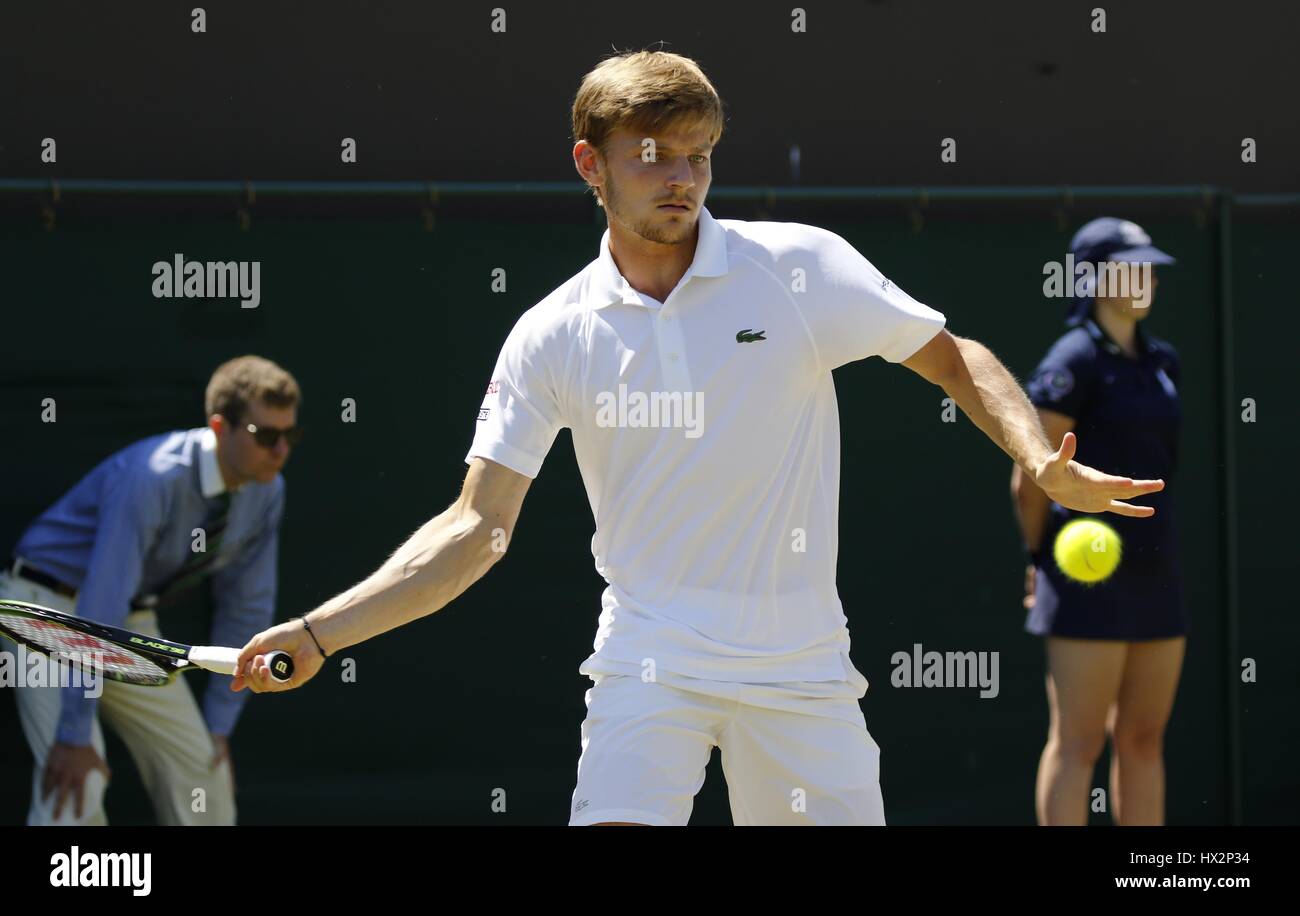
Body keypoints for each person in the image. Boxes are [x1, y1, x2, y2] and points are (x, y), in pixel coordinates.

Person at [233, 51, 1163, 826]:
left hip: (803, 672)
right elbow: (478, 527)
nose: (681, 178)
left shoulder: (801, 267)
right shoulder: (552, 333)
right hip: (648, 665)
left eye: (698, 155)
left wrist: (1037, 460)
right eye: (653, 156)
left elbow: (954, 358)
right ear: (589, 165)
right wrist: (322, 634)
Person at [0, 355, 300, 825]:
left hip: (127, 618)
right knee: (80, 781)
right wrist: (74, 735)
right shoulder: (151, 478)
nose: (280, 450)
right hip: (49, 608)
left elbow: (247, 607)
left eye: (289, 436)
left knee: (205, 771)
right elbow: (100, 603)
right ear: (221, 427)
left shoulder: (267, 490)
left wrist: (218, 725)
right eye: (266, 436)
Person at [1012, 217, 1184, 825]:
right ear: (1095, 278)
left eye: (1150, 268)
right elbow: (1030, 478)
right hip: (1082, 574)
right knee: (1080, 742)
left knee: (1142, 739)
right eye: (1130, 266)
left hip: (1156, 570)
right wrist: (1040, 563)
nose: (1146, 280)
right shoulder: (1074, 359)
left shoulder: (1163, 361)